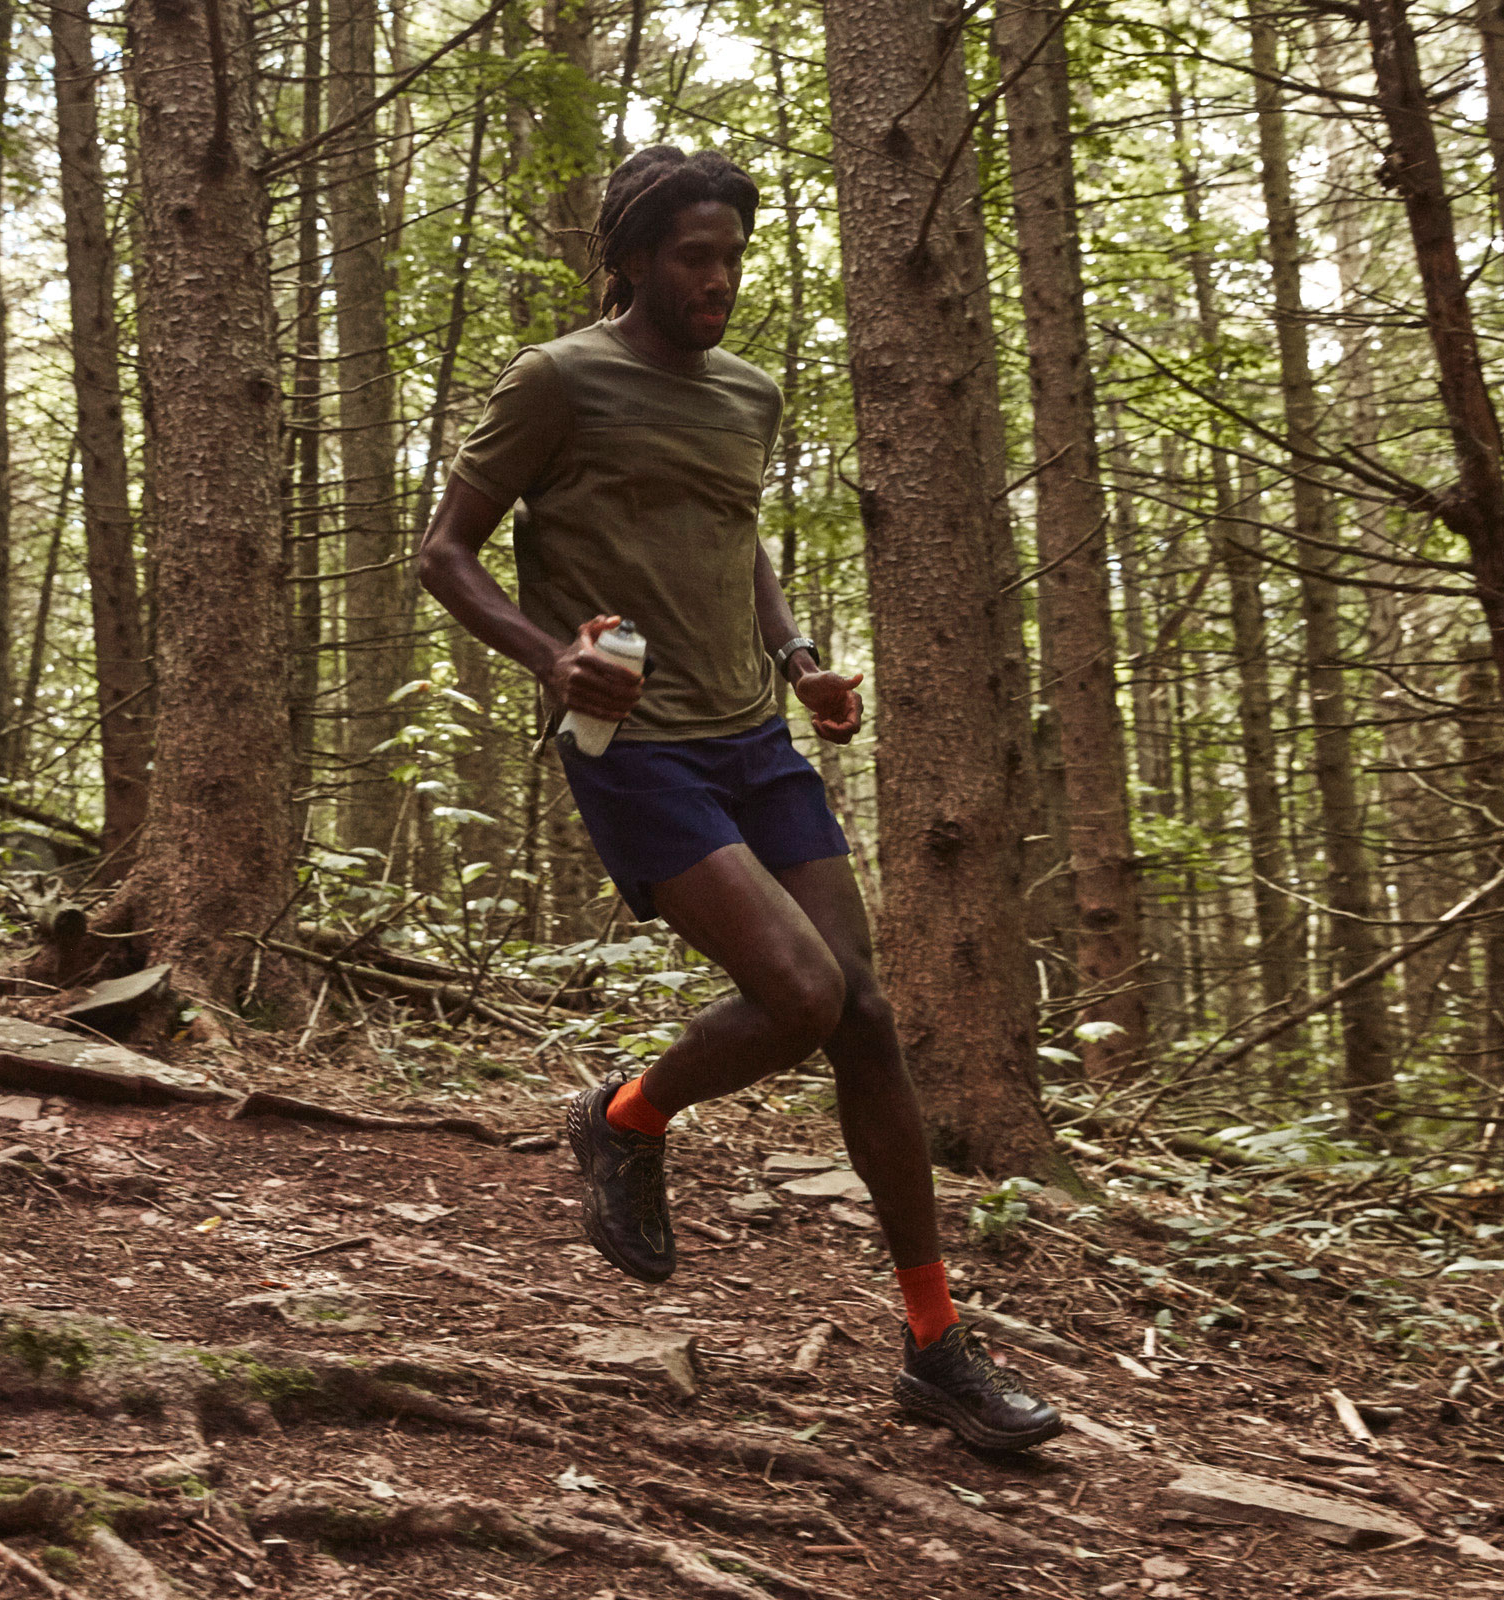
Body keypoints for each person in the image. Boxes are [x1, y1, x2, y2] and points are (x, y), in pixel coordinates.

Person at [416, 146, 1062, 1451]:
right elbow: (445, 550)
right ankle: (622, 1119)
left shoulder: (747, 395)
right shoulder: (558, 380)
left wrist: (802, 663)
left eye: (730, 254)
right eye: (692, 257)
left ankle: (935, 1346)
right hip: (633, 743)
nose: (716, 280)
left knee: (865, 1016)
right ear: (637, 260)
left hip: (755, 734)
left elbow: (736, 534)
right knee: (803, 992)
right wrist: (554, 656)